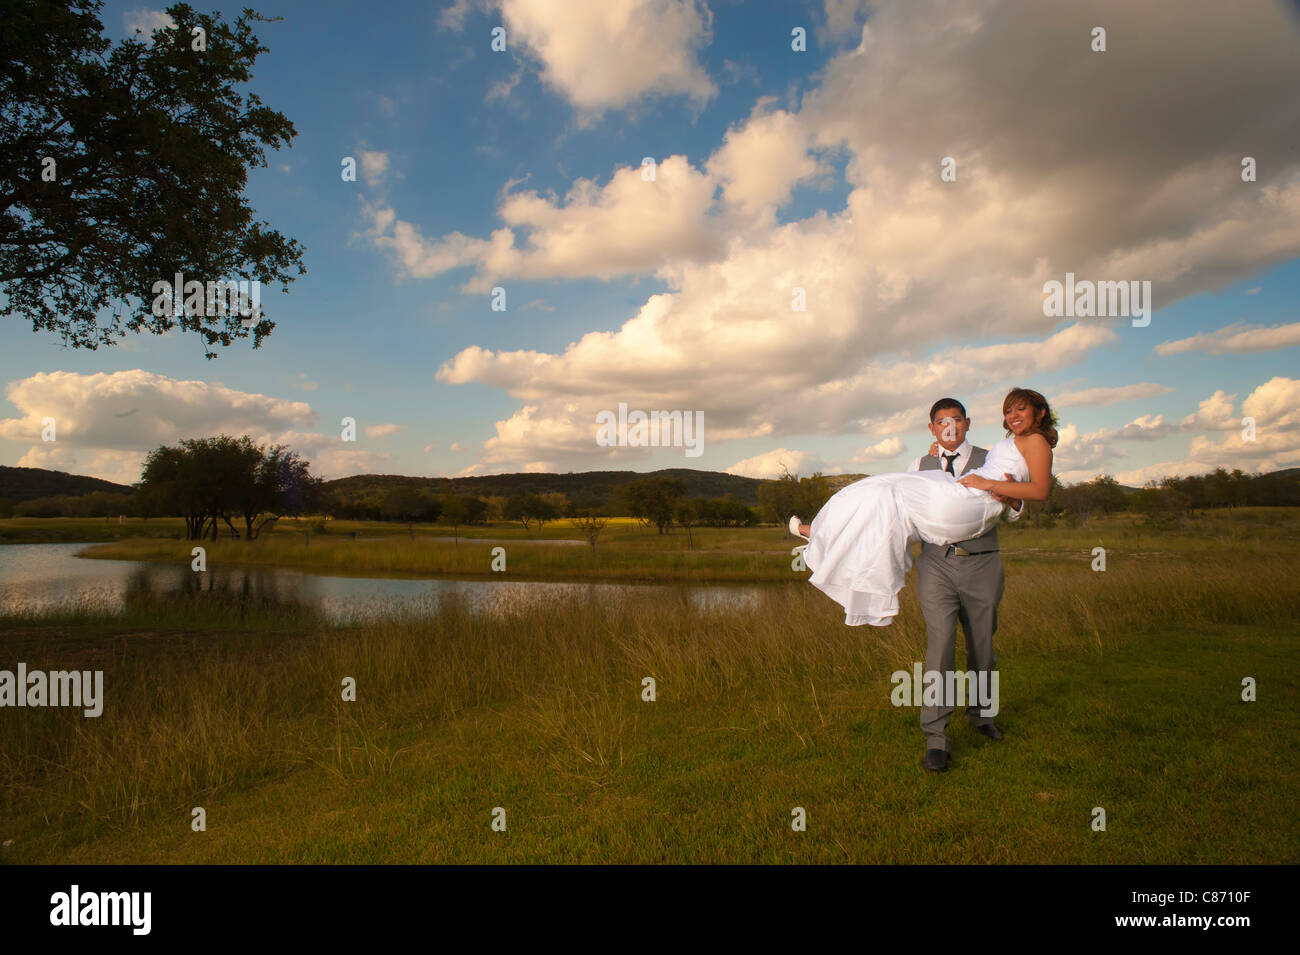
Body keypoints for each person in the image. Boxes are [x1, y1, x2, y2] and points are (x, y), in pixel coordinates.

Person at [789, 388, 1056, 635]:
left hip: (975, 519)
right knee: (880, 491)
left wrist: (994, 487)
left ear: (1040, 412)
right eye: (1009, 411)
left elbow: (1039, 491)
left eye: (1021, 409)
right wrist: (944, 461)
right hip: (943, 543)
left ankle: (822, 534)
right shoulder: (927, 460)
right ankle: (824, 533)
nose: (1013, 416)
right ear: (933, 428)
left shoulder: (1030, 442)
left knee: (886, 492)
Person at [904, 397, 1022, 773]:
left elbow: (1019, 510)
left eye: (956, 419)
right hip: (936, 564)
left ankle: (983, 716)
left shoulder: (993, 458)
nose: (949, 427)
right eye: (942, 421)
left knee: (982, 646)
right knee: (939, 647)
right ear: (932, 428)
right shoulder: (919, 466)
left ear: (967, 423)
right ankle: (936, 737)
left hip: (983, 562)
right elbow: (905, 512)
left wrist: (1009, 497)